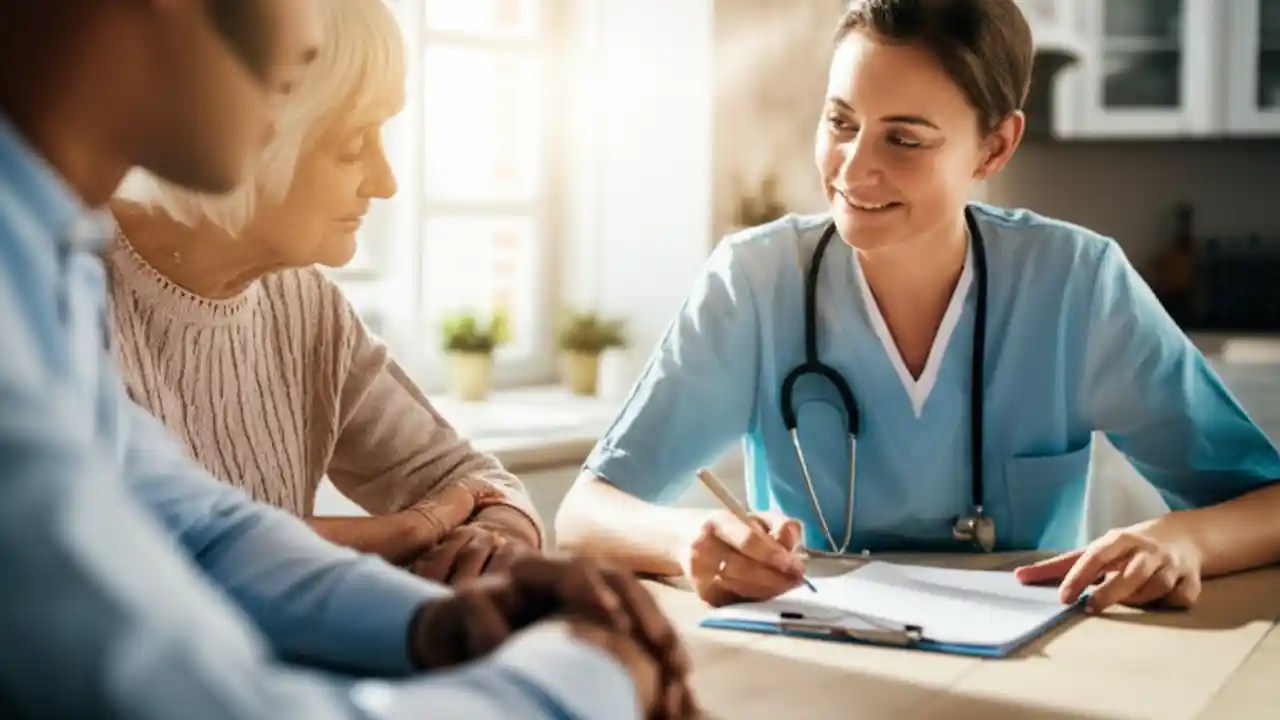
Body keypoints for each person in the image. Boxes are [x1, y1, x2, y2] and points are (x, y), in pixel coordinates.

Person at [0, 1, 692, 718]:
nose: (310, 28)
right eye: (351, 137)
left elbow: (194, 528)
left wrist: (433, 624)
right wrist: (591, 674)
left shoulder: (51, 257)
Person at [556, 0, 1280, 613]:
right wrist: (689, 544)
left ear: (994, 147)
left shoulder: (1076, 285)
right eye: (841, 122)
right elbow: (585, 515)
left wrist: (1181, 539)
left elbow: (1268, 504)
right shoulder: (754, 280)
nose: (855, 166)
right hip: (817, 665)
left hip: (1029, 675)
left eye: (904, 138)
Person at [108, 0, 540, 585]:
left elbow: (473, 480)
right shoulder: (64, 285)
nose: (386, 183)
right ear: (258, 133)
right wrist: (404, 532)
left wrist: (495, 542)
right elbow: (140, 546)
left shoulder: (307, 307)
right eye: (354, 142)